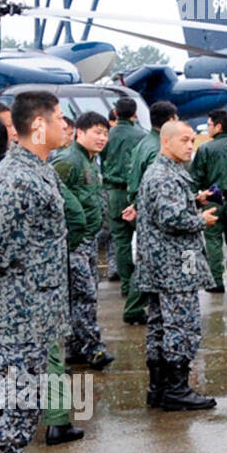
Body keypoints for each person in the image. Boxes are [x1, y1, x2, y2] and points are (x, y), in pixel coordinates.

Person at [0, 92, 72, 453]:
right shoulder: (16, 180)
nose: (65, 124)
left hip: (36, 313)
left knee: (24, 401)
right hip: (16, 316)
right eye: (59, 117)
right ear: (38, 125)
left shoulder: (39, 171)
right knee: (12, 402)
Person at [137, 121, 218, 411]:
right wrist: (201, 220)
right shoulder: (164, 176)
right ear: (166, 142)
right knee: (182, 324)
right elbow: (171, 219)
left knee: (160, 324)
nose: (189, 146)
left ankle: (159, 387)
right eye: (184, 140)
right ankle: (176, 387)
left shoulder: (166, 173)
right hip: (175, 263)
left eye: (192, 140)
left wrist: (195, 201)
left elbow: (168, 209)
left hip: (163, 262)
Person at [55, 111, 114, 371]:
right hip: (74, 241)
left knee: (84, 295)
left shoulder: (90, 161)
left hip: (89, 239)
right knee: (84, 294)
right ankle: (93, 348)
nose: (102, 138)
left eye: (105, 133)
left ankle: (75, 348)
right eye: (97, 132)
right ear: (80, 132)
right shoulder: (68, 161)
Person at [122, 100, 180, 324]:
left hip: (141, 205)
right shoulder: (158, 149)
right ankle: (136, 307)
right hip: (154, 212)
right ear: (170, 120)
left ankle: (141, 306)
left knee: (148, 260)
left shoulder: (145, 142)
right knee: (152, 261)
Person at [102, 97, 147, 319]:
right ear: (134, 114)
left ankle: (127, 285)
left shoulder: (106, 136)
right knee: (145, 240)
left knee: (120, 241)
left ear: (115, 113)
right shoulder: (142, 136)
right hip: (135, 193)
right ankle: (141, 285)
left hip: (112, 193)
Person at [191, 110, 227, 292]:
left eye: (209, 125)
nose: (208, 128)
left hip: (213, 199)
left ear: (218, 126)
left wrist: (194, 198)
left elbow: (196, 176)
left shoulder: (205, 149)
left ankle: (216, 280)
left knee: (213, 241)